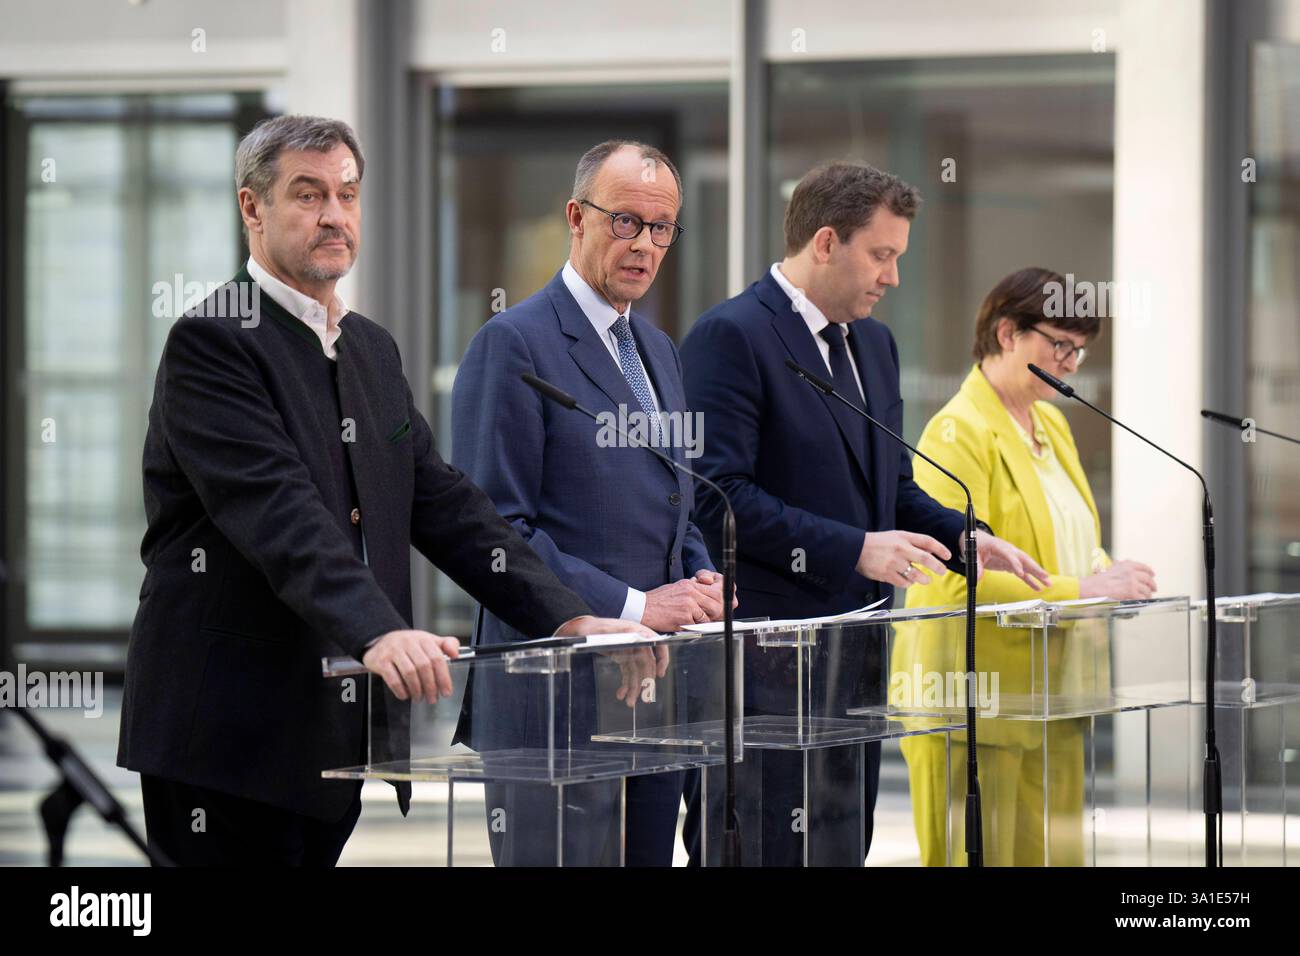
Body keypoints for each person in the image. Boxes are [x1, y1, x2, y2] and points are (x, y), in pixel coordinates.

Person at [117, 115, 644, 867]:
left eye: (347, 193)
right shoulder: (215, 342)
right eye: (307, 195)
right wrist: (380, 629)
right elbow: (280, 514)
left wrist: (567, 617)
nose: (334, 214)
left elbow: (445, 504)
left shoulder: (368, 346)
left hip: (329, 737)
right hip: (224, 739)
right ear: (251, 208)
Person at [679, 161, 1049, 865]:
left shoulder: (873, 344)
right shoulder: (731, 336)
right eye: (881, 256)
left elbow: (890, 483)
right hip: (766, 661)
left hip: (856, 656)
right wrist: (854, 548)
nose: (893, 277)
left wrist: (962, 537)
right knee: (758, 845)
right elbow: (716, 495)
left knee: (842, 844)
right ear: (825, 242)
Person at [451, 140, 728, 866]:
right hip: (553, 699)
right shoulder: (513, 344)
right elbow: (495, 532)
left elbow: (676, 494)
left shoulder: (658, 353)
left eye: (662, 228)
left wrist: (697, 580)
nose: (645, 244)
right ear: (577, 217)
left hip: (655, 696)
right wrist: (635, 607)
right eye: (626, 222)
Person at [895, 266, 1157, 865]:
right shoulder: (958, 432)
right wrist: (1085, 587)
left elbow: (1071, 538)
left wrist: (1113, 574)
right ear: (1008, 332)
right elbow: (955, 569)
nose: (1070, 362)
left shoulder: (1052, 426)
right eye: (1059, 344)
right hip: (978, 701)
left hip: (1057, 696)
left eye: (1080, 350)